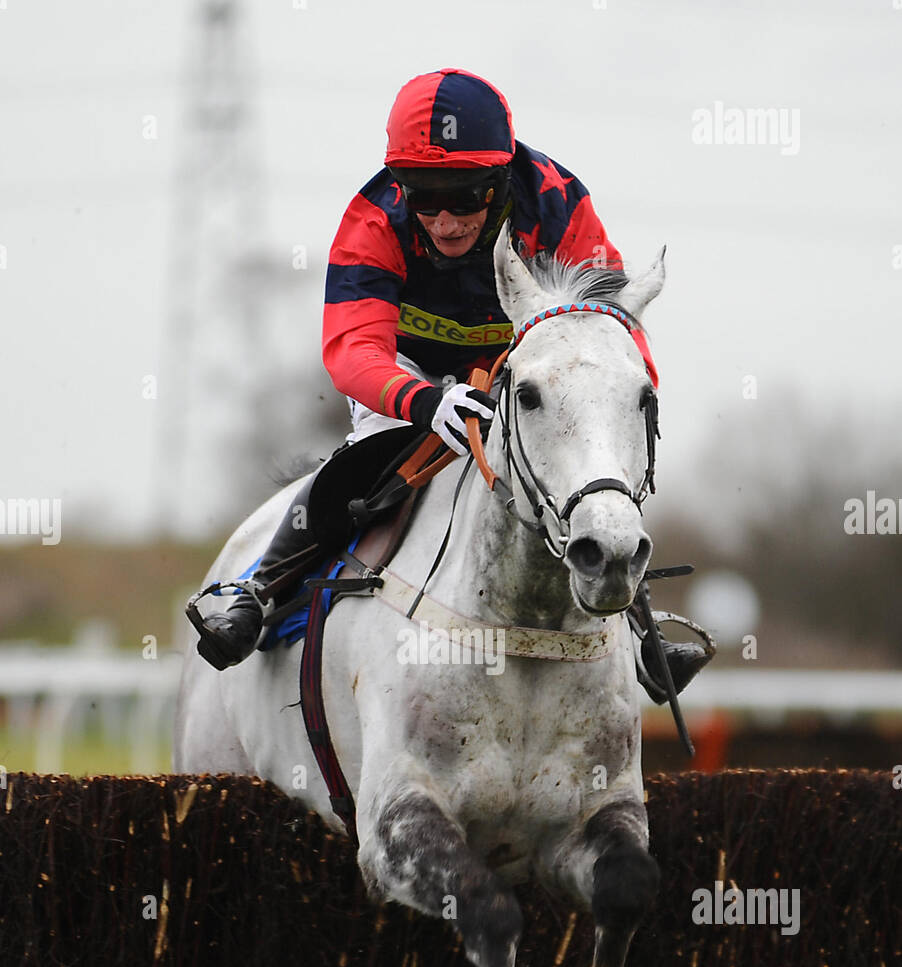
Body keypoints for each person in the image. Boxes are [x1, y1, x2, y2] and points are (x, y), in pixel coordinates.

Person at [193, 68, 711, 703]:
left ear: (501, 178)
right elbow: (352, 347)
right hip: (408, 373)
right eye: (426, 197)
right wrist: (423, 401)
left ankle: (639, 629)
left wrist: (623, 399)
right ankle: (260, 590)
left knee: (582, 467)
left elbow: (611, 332)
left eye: (466, 197)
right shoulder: (374, 220)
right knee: (376, 455)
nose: (444, 220)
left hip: (525, 367)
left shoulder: (555, 199)